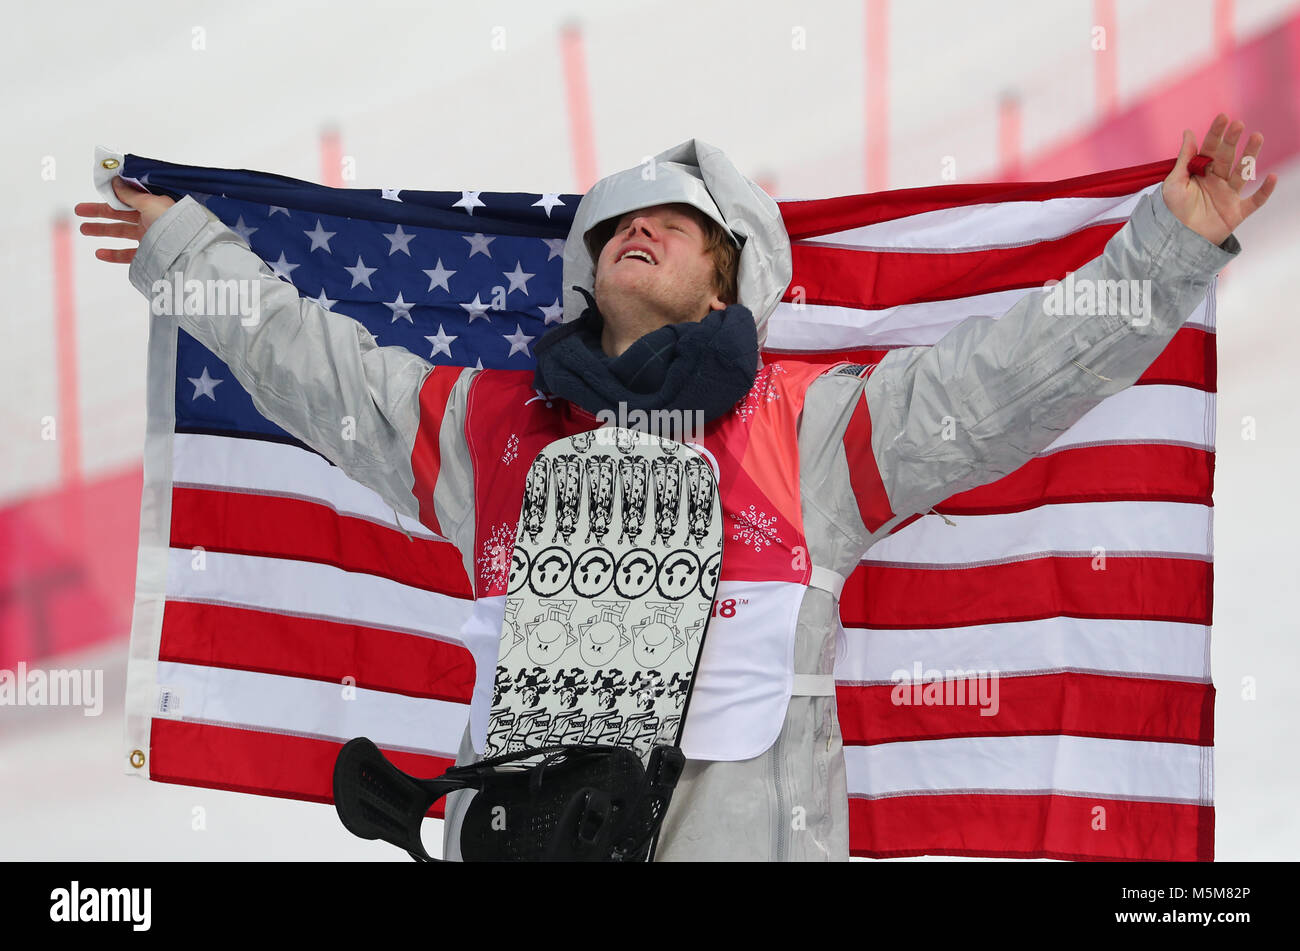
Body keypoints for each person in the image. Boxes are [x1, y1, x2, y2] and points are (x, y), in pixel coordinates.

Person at [77, 116, 1273, 861]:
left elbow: (1011, 381)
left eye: (675, 223)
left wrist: (1165, 249)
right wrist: (192, 257)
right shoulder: (489, 430)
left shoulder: (813, 431)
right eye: (616, 224)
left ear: (726, 285)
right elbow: (314, 368)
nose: (636, 229)